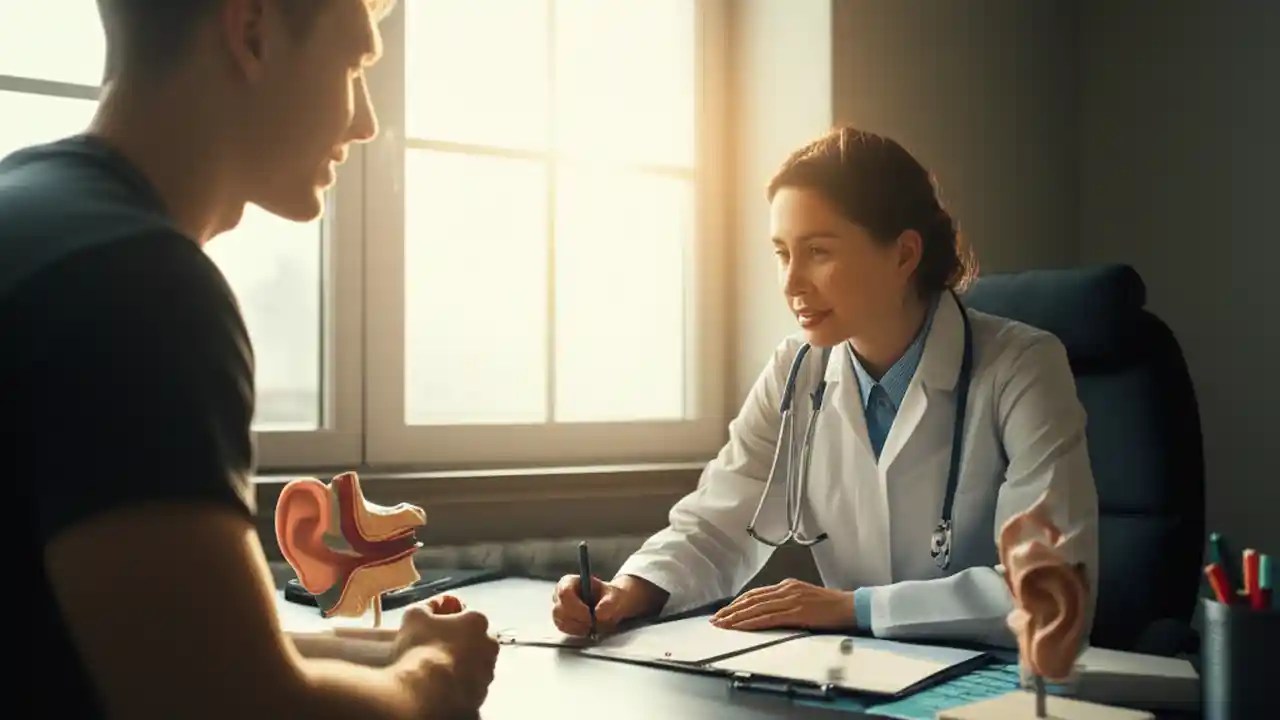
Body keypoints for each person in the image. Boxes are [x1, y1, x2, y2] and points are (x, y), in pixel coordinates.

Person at [3, 1, 497, 717]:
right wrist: (432, 679)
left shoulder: (38, 222)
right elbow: (239, 706)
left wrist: (392, 652)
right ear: (253, 33)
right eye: (355, 65)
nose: (366, 122)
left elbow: (177, 647)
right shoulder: (132, 284)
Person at [552, 126, 1099, 647]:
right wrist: (628, 592)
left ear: (905, 255)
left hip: (991, 680)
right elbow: (717, 521)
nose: (790, 283)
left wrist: (852, 608)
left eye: (818, 252)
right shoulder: (797, 369)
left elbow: (1050, 582)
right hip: (855, 672)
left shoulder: (1023, 367)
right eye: (782, 253)